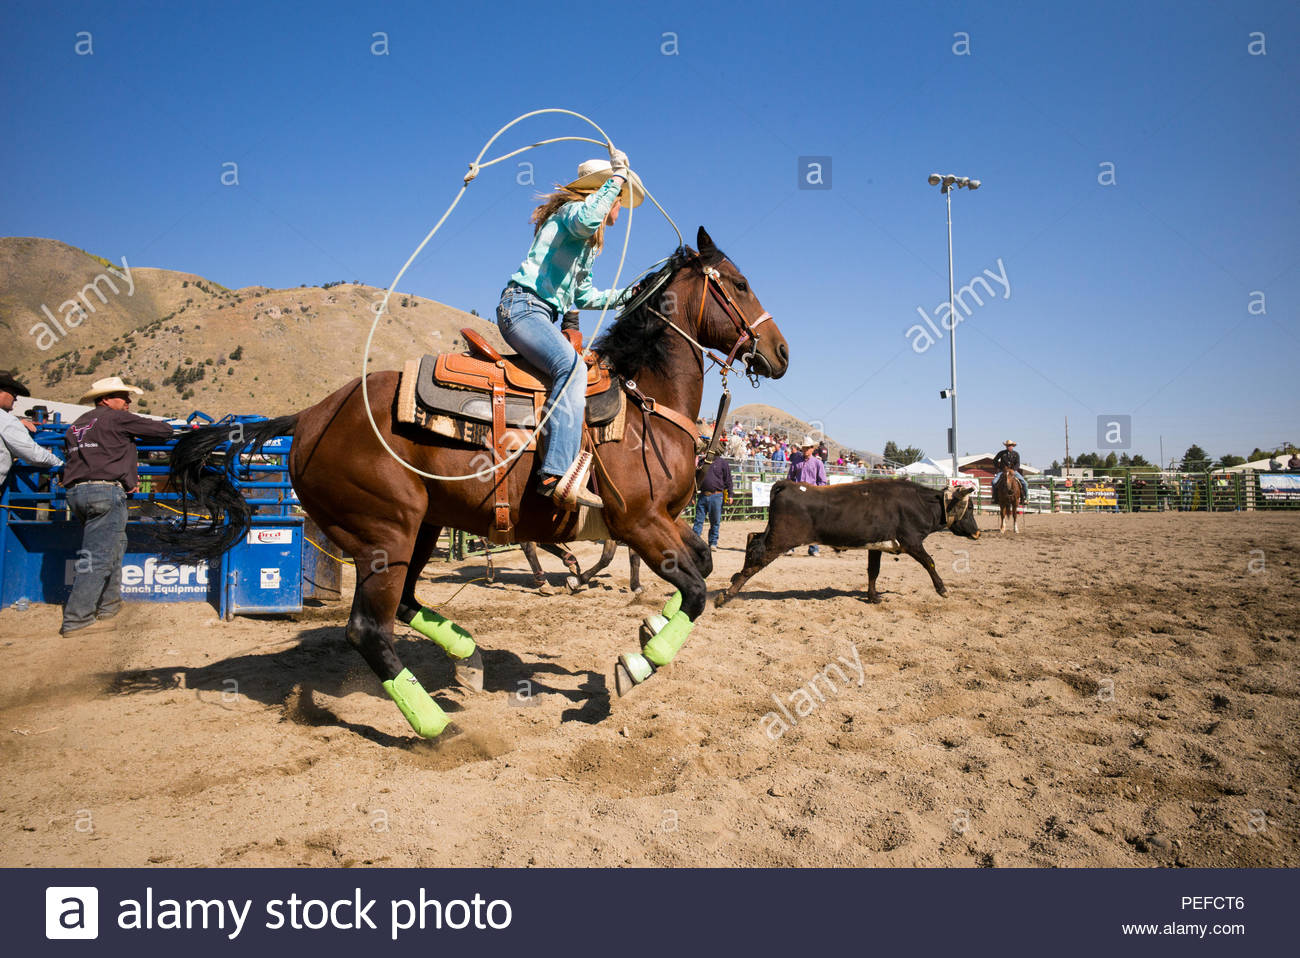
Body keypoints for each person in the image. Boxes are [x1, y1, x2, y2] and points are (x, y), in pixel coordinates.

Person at [496, 151, 645, 510]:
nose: (618, 210)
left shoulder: (587, 246)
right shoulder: (570, 215)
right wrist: (619, 177)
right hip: (523, 307)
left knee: (571, 369)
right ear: (601, 193)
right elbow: (585, 220)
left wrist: (629, 295)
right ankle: (556, 473)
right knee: (573, 368)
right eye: (617, 201)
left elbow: (582, 294)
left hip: (539, 314)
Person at [60, 376, 173, 636]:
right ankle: (77, 620)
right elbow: (163, 431)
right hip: (105, 492)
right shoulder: (116, 418)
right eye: (123, 396)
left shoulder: (78, 423)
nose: (128, 402)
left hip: (77, 492)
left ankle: (109, 606)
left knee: (113, 546)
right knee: (98, 556)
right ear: (106, 399)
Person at [0, 373, 63, 487]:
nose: (15, 398)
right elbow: (32, 453)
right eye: (13, 393)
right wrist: (60, 464)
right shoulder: (5, 419)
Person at [789, 439, 828, 555]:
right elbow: (790, 479)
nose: (806, 450)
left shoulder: (818, 463)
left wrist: (816, 492)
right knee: (793, 521)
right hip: (798, 496)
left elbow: (822, 481)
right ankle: (790, 547)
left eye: (808, 447)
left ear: (812, 449)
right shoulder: (796, 462)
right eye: (804, 447)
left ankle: (813, 548)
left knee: (813, 523)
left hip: (812, 496)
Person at [692, 452, 733, 551]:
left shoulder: (723, 463)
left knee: (715, 521)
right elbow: (695, 480)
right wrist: (692, 495)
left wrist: (730, 494)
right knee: (698, 520)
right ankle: (694, 542)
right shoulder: (702, 462)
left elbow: (728, 480)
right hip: (703, 494)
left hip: (717, 495)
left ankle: (713, 543)